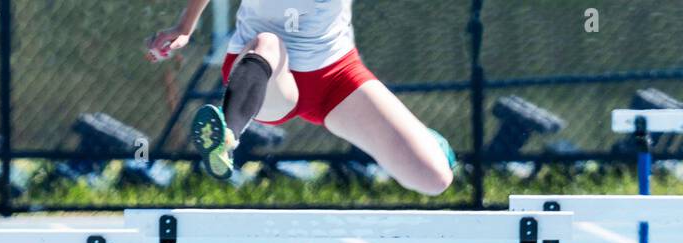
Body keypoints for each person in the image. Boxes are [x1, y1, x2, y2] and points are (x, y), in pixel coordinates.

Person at [146, 0, 455, 195]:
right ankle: (226, 136)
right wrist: (185, 27)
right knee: (268, 42)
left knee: (433, 178)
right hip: (263, 75)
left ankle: (428, 142)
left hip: (335, 76)